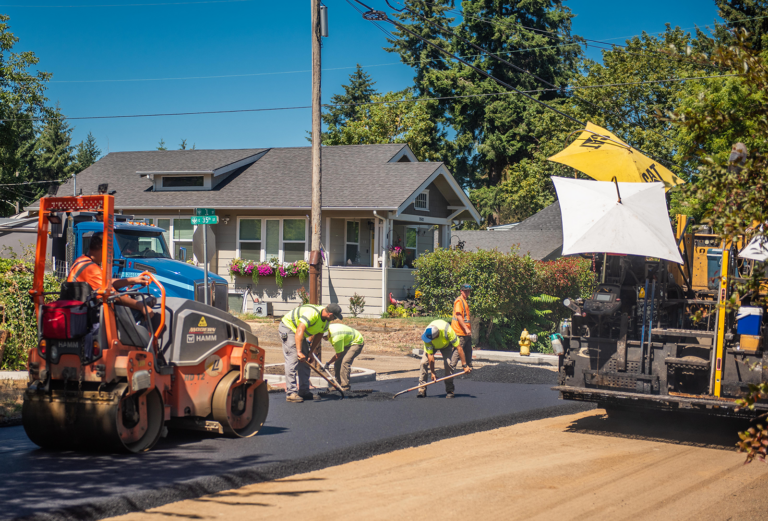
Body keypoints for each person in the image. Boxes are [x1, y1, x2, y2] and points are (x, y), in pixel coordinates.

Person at [67, 232, 153, 317]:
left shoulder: (82, 260)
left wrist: (132, 280)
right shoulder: (91, 269)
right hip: (89, 316)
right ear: (104, 248)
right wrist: (141, 306)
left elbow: (106, 283)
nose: (111, 254)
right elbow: (112, 294)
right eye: (110, 250)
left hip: (83, 310)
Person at [279, 303, 344, 403]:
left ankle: (304, 391)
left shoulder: (326, 321)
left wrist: (310, 352)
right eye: (334, 317)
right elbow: (300, 330)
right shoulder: (312, 314)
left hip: (299, 332)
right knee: (293, 358)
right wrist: (299, 351)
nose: (334, 319)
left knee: (305, 360)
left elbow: (319, 334)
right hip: (289, 328)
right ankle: (291, 393)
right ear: (330, 314)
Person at [419, 319, 471, 399]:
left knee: (448, 364)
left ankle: (450, 390)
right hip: (433, 346)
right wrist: (433, 373)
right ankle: (422, 389)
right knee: (423, 362)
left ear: (437, 335)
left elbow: (459, 348)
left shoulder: (448, 331)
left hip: (446, 346)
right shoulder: (427, 335)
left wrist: (464, 365)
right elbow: (431, 356)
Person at [322, 323, 365, 391]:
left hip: (356, 342)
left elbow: (338, 355)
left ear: (328, 333)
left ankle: (345, 386)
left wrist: (328, 363)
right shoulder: (326, 328)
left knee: (345, 362)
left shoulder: (336, 338)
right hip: (347, 342)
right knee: (337, 363)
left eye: (325, 337)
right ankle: (338, 384)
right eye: (322, 337)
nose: (324, 339)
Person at [452, 283, 473, 368]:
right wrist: (465, 328)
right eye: (465, 291)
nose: (467, 293)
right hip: (460, 331)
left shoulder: (464, 301)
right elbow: (459, 316)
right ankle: (451, 367)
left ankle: (469, 366)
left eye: (468, 291)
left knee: (468, 349)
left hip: (465, 331)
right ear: (461, 291)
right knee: (458, 350)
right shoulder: (459, 301)